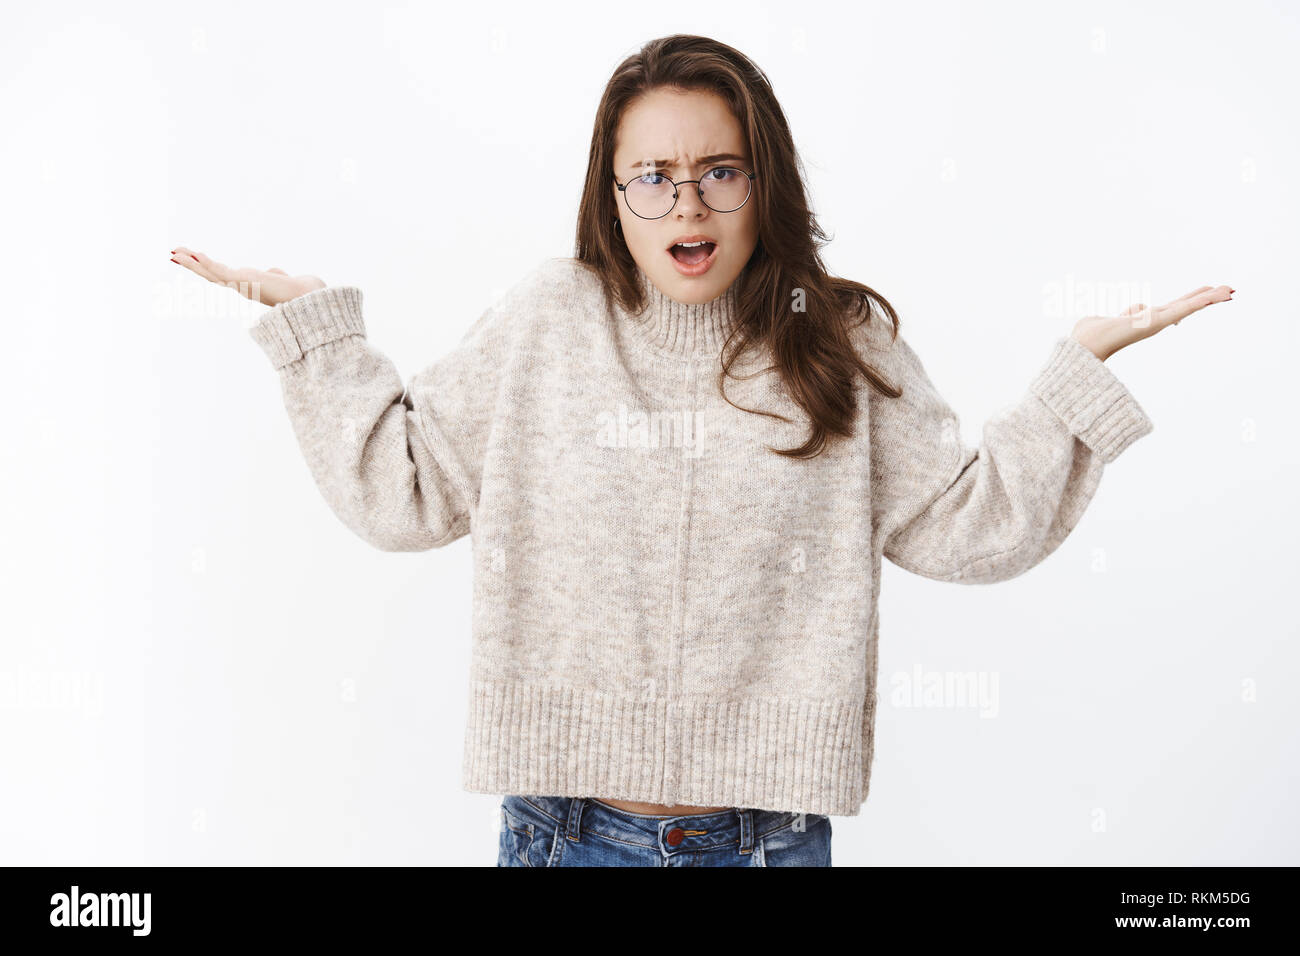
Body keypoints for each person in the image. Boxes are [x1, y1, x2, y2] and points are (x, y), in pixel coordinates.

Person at [168, 34, 1233, 867]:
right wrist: (322, 338)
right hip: (563, 832)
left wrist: (1072, 383)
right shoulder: (548, 317)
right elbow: (405, 496)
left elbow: (969, 525)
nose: (688, 201)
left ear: (763, 182)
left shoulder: (836, 333)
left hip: (767, 840)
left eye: (721, 170)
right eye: (654, 175)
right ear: (613, 191)